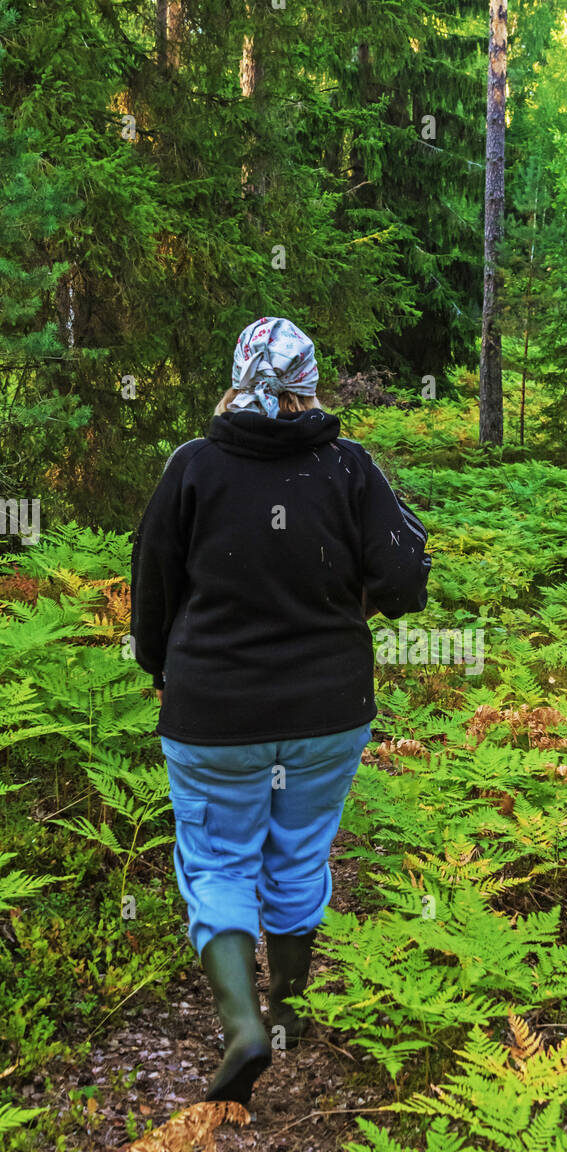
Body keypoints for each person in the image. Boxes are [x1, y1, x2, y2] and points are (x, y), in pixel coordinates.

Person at [130, 316, 430, 1104]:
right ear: (310, 382)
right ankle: (289, 1010)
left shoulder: (192, 468)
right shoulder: (347, 467)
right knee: (298, 851)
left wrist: (159, 667)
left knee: (218, 862)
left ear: (236, 377)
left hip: (212, 711)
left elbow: (152, 582)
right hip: (327, 709)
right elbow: (403, 578)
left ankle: (242, 1028)